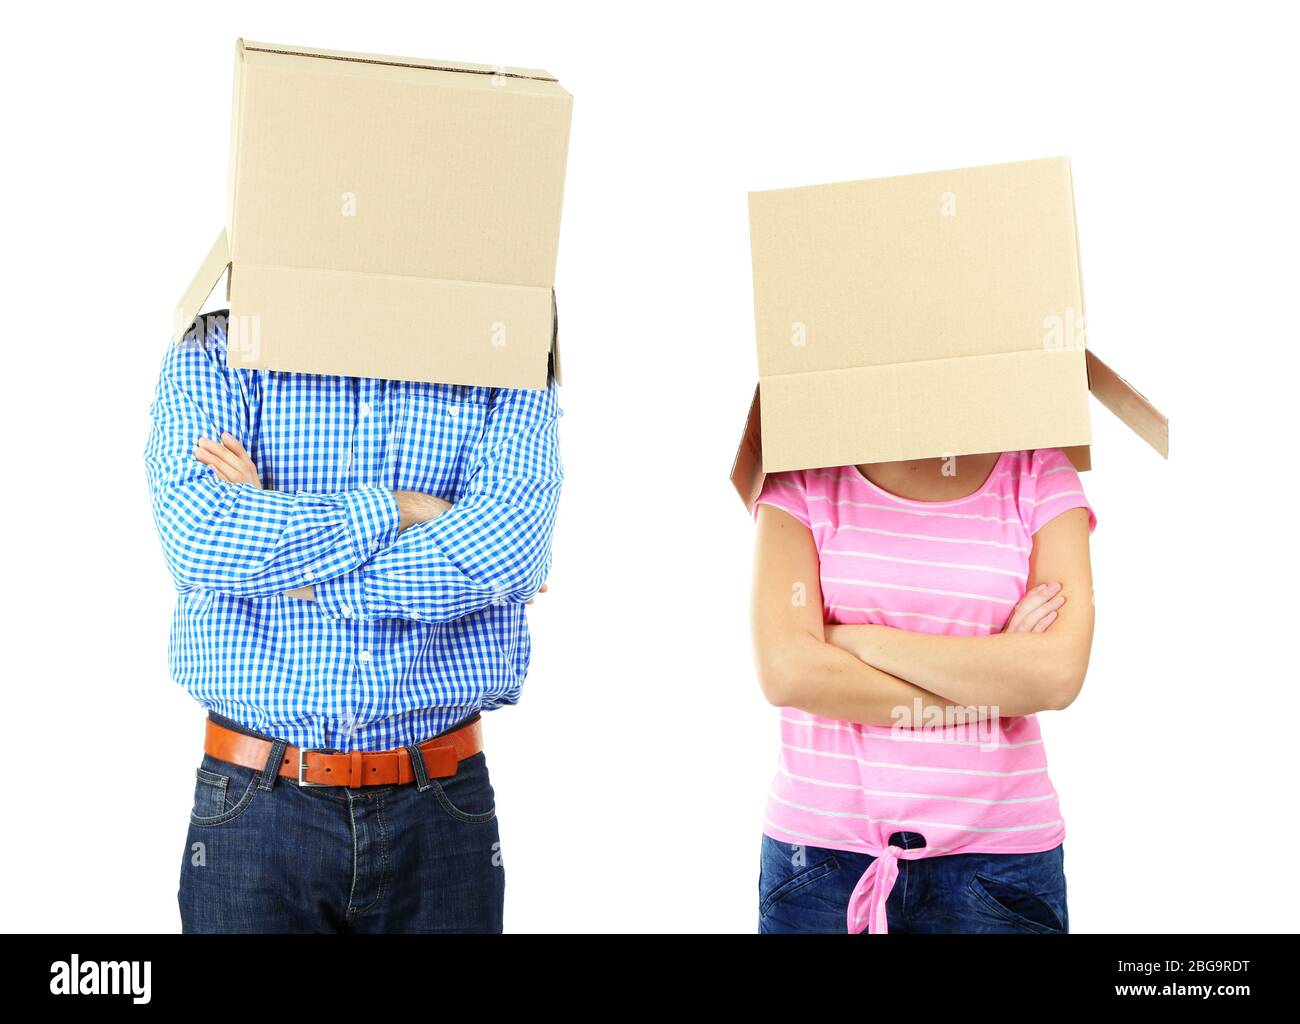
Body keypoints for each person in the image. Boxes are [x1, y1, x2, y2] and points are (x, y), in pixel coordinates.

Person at [144, 311, 562, 933]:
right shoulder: (218, 348)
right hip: (257, 805)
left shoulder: (505, 339)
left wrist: (287, 562)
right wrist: (402, 509)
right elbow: (201, 539)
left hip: (441, 806)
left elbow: (510, 550)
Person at [750, 449, 1094, 933]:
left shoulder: (1039, 470)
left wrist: (853, 640)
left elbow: (1055, 675)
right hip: (821, 863)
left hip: (999, 864)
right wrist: (996, 679)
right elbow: (788, 672)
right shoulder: (802, 469)